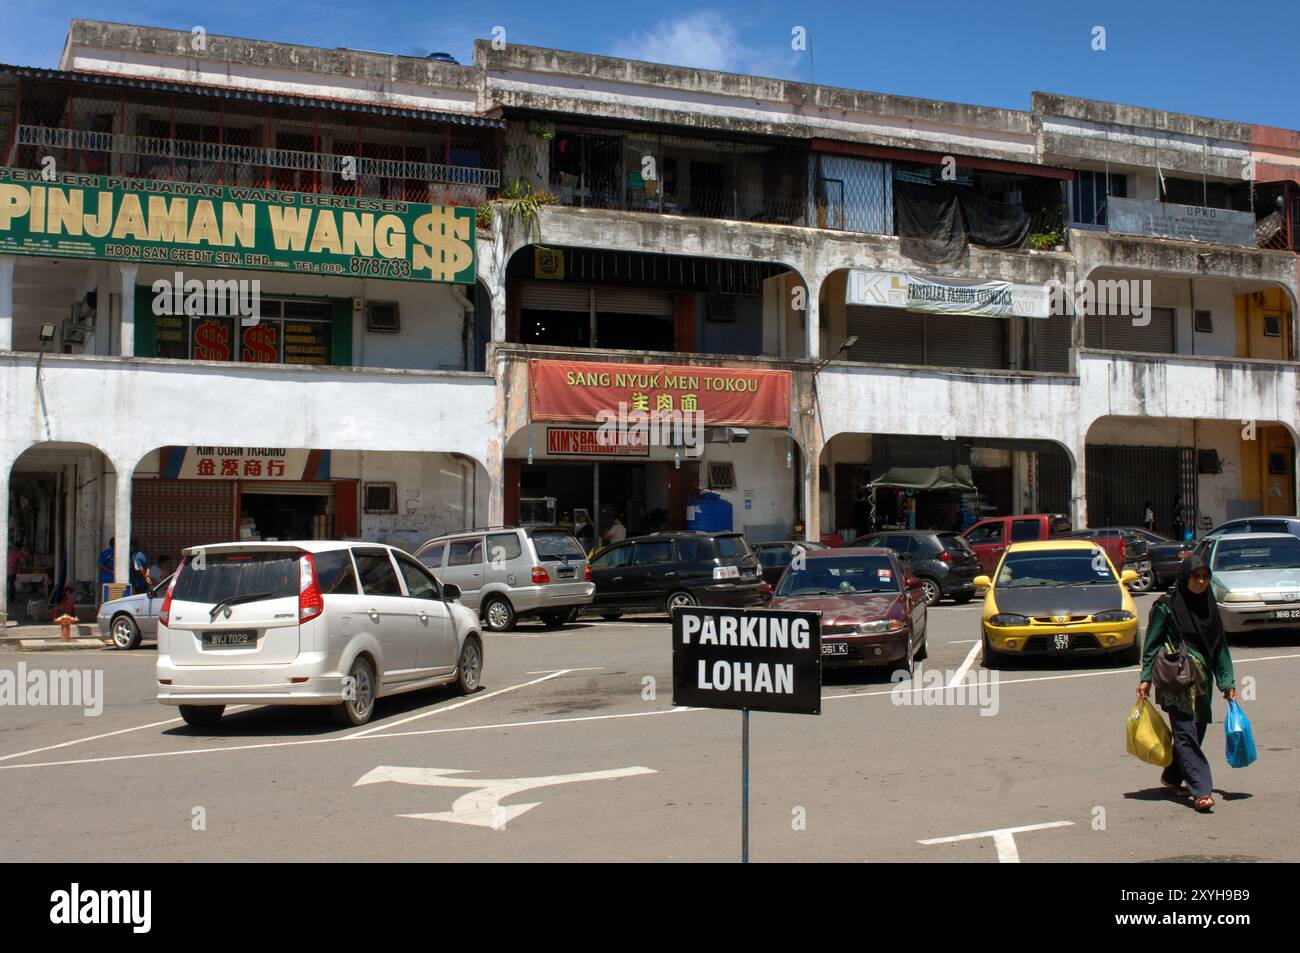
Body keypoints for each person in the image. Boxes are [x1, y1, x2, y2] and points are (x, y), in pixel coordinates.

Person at [1137, 554, 1236, 813]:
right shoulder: (1166, 606)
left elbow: (1219, 646)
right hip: (1175, 681)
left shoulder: (1209, 606)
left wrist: (1227, 681)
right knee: (1185, 734)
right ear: (1185, 577)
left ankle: (1171, 777)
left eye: (1205, 577)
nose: (1201, 582)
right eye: (1196, 576)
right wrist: (1145, 677)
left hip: (1201, 685)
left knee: (1197, 732)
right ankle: (1201, 790)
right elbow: (1152, 643)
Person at [7, 539, 27, 607]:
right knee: (11, 585)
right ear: (20, 547)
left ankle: (9, 598)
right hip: (11, 571)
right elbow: (24, 561)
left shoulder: (9, 551)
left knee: (7, 585)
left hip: (4, 570)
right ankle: (10, 599)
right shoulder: (17, 552)